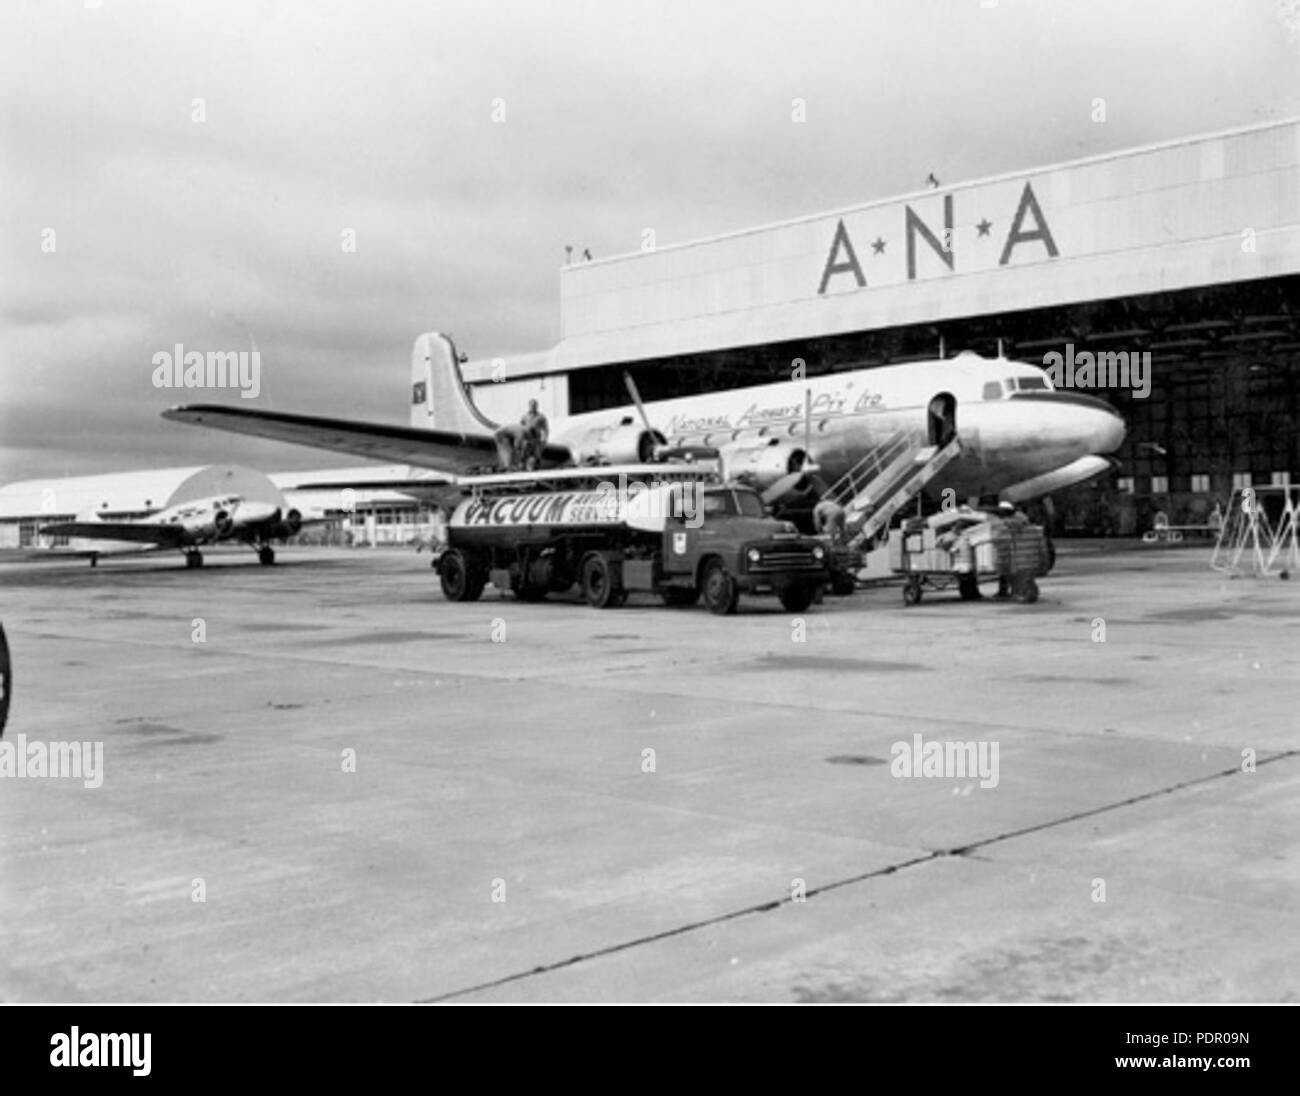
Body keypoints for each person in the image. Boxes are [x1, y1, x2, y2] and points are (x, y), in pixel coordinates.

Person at [520, 400, 549, 470]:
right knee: (524, 455)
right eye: (531, 405)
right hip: (527, 439)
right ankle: (522, 468)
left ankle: (537, 468)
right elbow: (520, 427)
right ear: (529, 406)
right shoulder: (524, 416)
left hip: (536, 439)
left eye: (534, 405)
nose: (533, 407)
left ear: (537, 406)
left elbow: (545, 429)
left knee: (537, 456)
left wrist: (544, 439)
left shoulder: (541, 417)